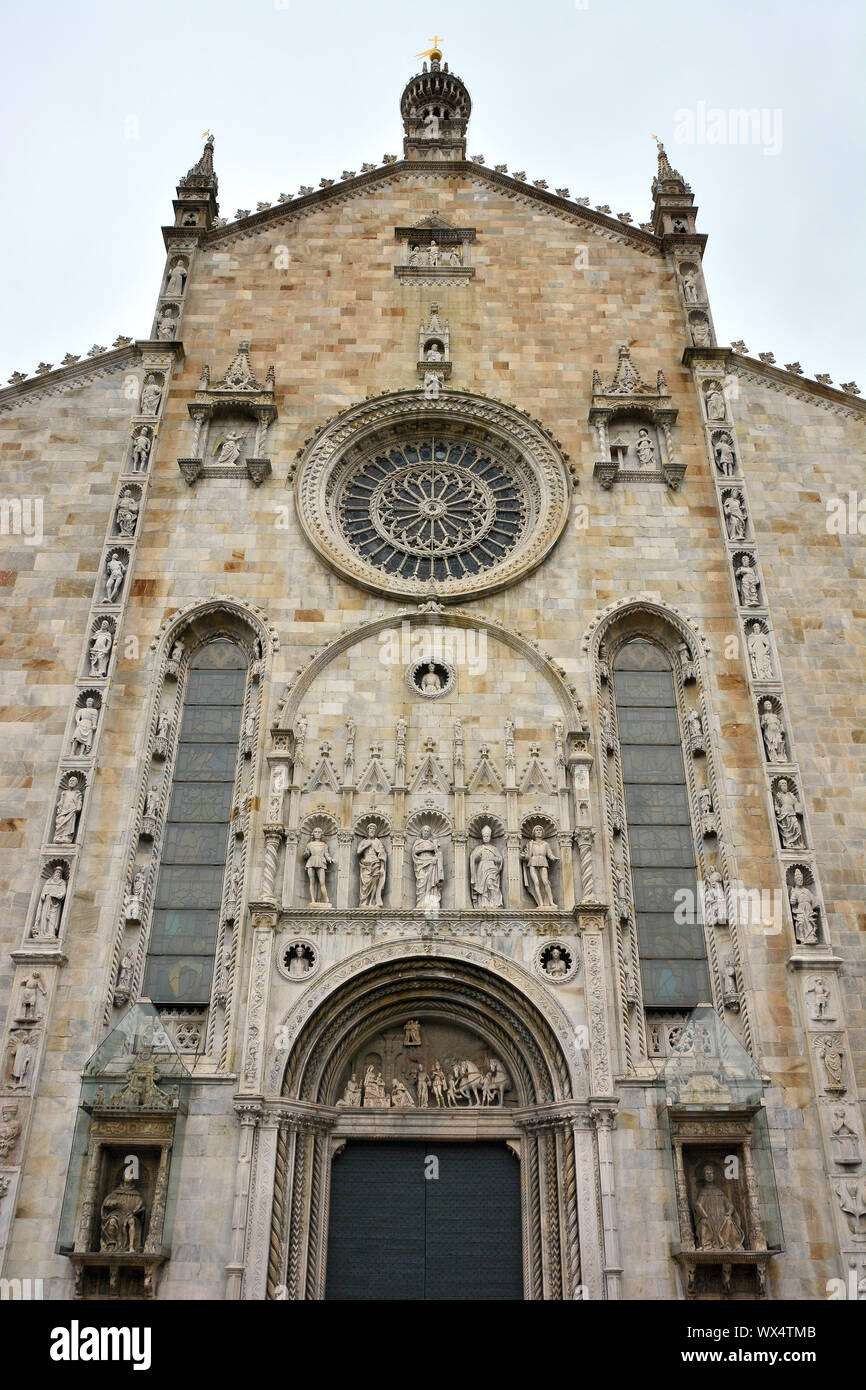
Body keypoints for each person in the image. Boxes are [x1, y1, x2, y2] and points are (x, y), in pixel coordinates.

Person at [521, 825, 558, 908]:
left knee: (546, 882)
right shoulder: (530, 844)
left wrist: (553, 858)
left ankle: (551, 902)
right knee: (536, 882)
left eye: (540, 830)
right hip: (533, 862)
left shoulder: (546, 844)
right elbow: (529, 856)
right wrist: (524, 856)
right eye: (537, 830)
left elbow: (549, 854)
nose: (538, 831)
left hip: (543, 861)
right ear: (534, 833)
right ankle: (540, 903)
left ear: (542, 832)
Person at [469, 825, 503, 908]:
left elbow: (500, 860)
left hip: (492, 868)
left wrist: (494, 858)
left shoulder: (494, 849)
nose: (486, 838)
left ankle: (495, 903)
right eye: (484, 836)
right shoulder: (478, 848)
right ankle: (484, 903)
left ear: (490, 837)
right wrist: (478, 856)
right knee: (483, 887)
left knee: (490, 883)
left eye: (487, 836)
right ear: (482, 837)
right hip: (482, 868)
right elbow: (473, 859)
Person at [412, 825, 444, 909]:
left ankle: (431, 902)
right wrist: (429, 848)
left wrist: (436, 848)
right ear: (421, 832)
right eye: (424, 831)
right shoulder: (418, 842)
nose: (426, 832)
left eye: (427, 831)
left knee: (432, 882)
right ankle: (421, 902)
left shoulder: (432, 842)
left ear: (430, 833)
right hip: (421, 863)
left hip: (432, 863)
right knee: (422, 881)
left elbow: (438, 853)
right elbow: (415, 851)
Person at [357, 822, 387, 907]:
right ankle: (364, 901)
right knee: (366, 884)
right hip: (365, 863)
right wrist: (366, 845)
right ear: (367, 831)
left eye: (373, 829)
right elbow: (358, 851)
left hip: (375, 863)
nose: (372, 830)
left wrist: (382, 867)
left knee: (374, 884)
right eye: (370, 829)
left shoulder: (378, 842)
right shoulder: (364, 841)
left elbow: (382, 854)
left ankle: (372, 901)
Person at [304, 827, 333, 905]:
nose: (317, 833)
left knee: (322, 882)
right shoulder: (309, 844)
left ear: (322, 834)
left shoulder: (324, 845)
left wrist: (330, 859)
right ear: (313, 834)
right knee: (311, 882)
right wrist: (306, 854)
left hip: (321, 861)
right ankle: (313, 900)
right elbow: (305, 855)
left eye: (319, 832)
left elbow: (326, 854)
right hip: (311, 861)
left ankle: (326, 899)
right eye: (316, 832)